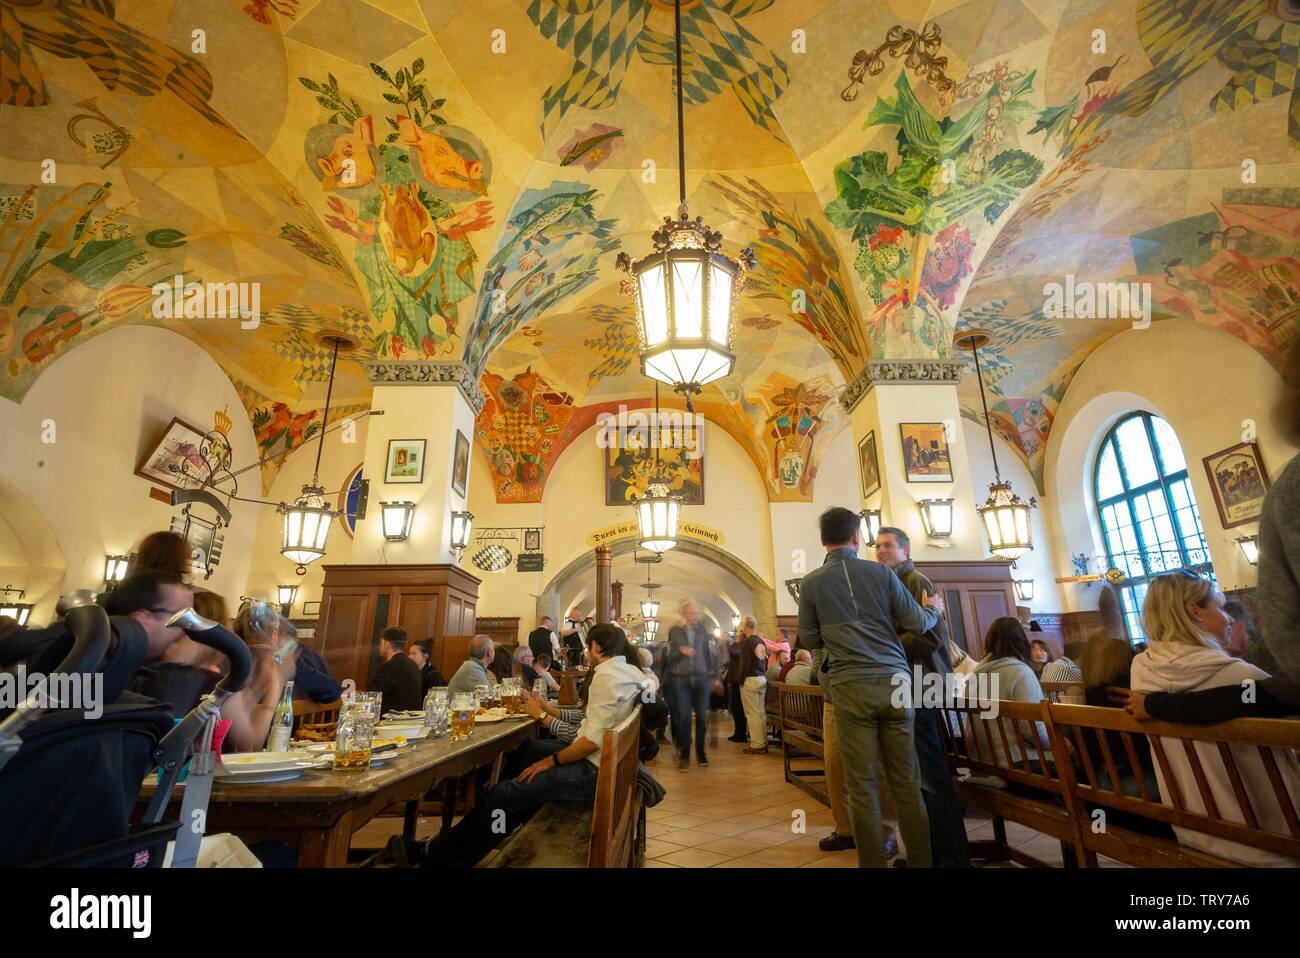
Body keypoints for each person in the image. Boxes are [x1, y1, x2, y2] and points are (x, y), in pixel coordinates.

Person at [418, 624, 654, 867]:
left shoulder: (606, 676)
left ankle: (437, 857)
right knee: (522, 764)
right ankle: (484, 832)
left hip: (594, 772)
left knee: (501, 794)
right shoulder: (631, 673)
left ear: (595, 647)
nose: (585, 654)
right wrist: (546, 710)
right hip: (606, 764)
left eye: (587, 649)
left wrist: (548, 761)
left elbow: (589, 742)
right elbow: (593, 719)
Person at [798, 506, 945, 868]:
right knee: (907, 784)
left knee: (862, 788)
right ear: (856, 538)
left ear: (822, 541)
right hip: (896, 684)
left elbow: (809, 639)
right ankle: (923, 863)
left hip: (851, 688)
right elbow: (917, 621)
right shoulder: (882, 574)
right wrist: (935, 611)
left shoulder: (811, 583)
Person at [1129, 572, 1300, 866]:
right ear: (1195, 612)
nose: (1228, 618)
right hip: (1271, 840)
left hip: (1195, 831)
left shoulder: (1141, 670)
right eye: (1219, 607)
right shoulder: (1241, 676)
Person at [874, 526, 971, 868]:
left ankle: (953, 858)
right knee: (915, 775)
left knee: (931, 776)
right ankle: (929, 853)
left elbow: (931, 638)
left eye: (887, 545)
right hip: (908, 686)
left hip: (923, 684)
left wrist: (885, 648)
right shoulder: (892, 583)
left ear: (905, 549)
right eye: (877, 546)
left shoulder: (916, 581)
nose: (880, 551)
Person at [969, 618, 1052, 786]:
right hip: (1016, 766)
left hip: (980, 764)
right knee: (1077, 759)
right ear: (1022, 642)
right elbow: (1033, 731)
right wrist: (1057, 741)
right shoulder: (1021, 673)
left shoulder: (975, 674)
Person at [221, 600, 298, 752]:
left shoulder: (245, 663)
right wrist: (277, 683)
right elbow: (250, 745)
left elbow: (241, 713)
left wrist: (262, 684)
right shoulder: (226, 669)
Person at [666, 598, 714, 771]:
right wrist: (680, 651)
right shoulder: (676, 631)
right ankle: (684, 756)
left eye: (697, 612)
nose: (696, 616)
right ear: (684, 614)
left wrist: (713, 675)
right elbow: (669, 658)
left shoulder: (703, 630)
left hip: (701, 679)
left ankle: (701, 754)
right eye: (693, 613)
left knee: (702, 717)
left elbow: (708, 654)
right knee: (684, 717)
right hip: (682, 679)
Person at [369, 627, 423, 713]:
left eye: (381, 643)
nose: (379, 646)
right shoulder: (413, 665)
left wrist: (355, 695)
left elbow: (371, 696)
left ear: (386, 644)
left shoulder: (389, 667)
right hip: (411, 721)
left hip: (390, 722)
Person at [736, 615, 768, 755]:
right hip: (761, 678)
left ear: (745, 627)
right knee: (761, 712)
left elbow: (744, 664)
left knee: (752, 713)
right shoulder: (761, 641)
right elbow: (764, 661)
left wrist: (741, 680)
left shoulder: (747, 642)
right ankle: (764, 741)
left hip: (750, 679)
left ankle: (757, 745)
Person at [725, 628, 748, 744]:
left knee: (739, 707)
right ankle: (737, 732)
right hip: (733, 678)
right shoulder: (735, 645)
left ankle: (742, 734)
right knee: (734, 707)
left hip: (739, 679)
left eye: (739, 632)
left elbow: (735, 654)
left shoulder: (743, 645)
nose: (736, 634)